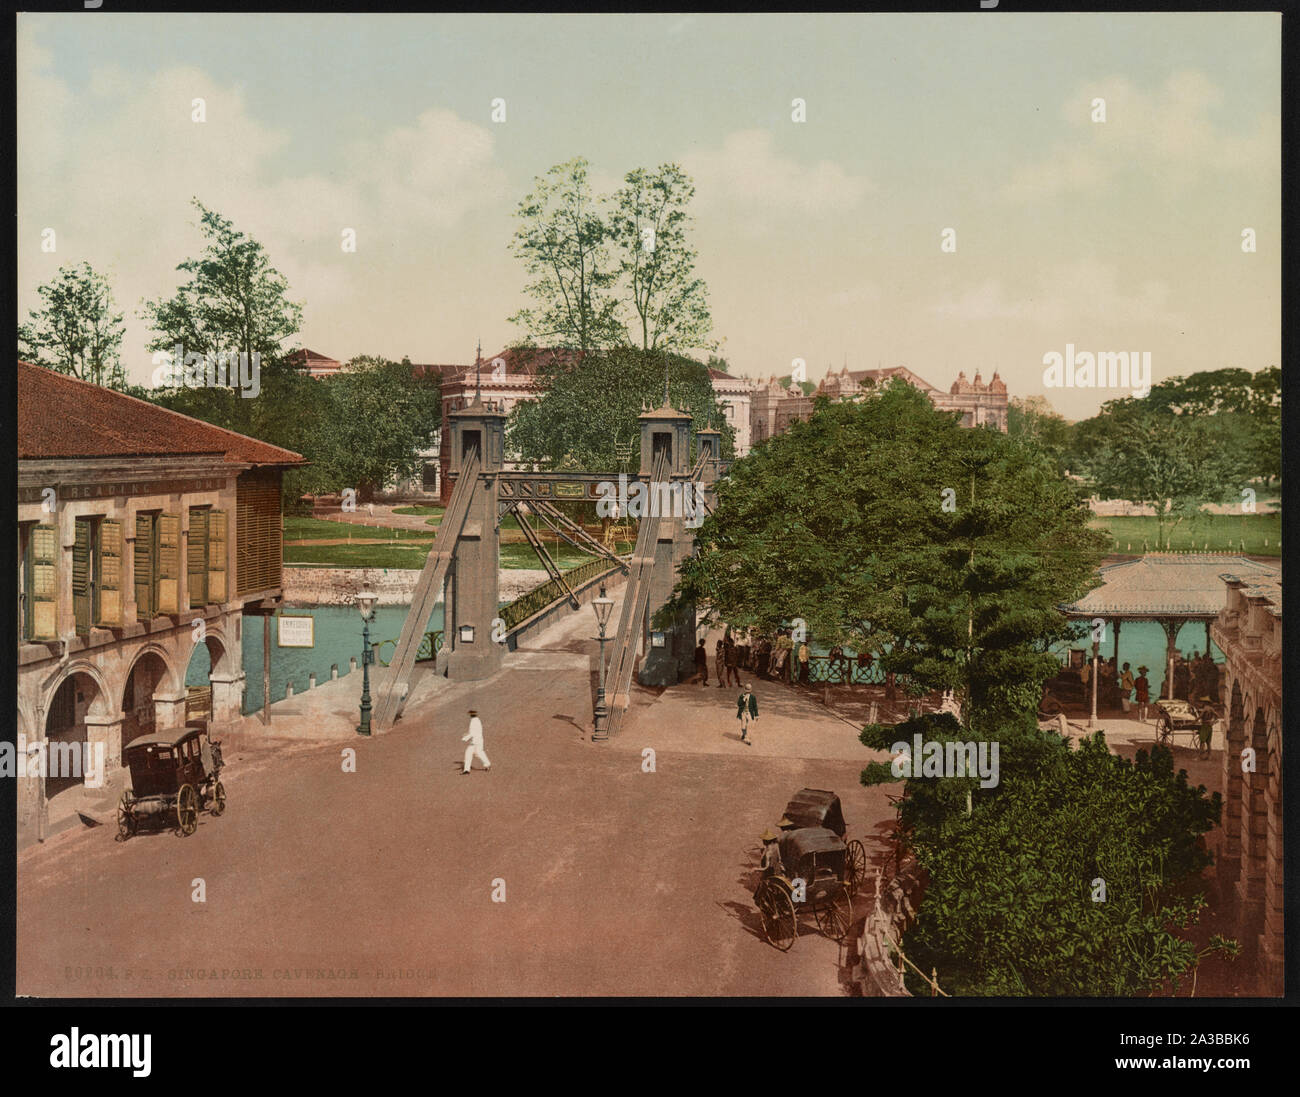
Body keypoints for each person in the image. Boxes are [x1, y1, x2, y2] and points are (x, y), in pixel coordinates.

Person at [461, 709, 491, 774]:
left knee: (469, 753)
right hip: (479, 740)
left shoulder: (473, 721)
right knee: (478, 753)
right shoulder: (477, 720)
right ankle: (487, 764)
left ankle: (467, 770)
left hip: (474, 741)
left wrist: (465, 738)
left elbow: (472, 732)